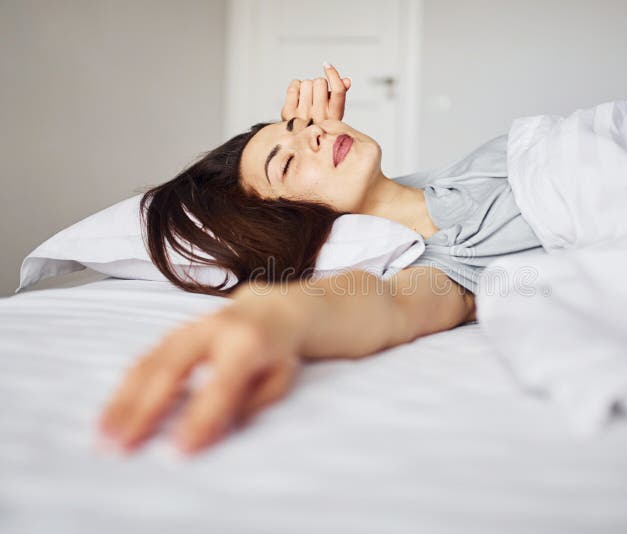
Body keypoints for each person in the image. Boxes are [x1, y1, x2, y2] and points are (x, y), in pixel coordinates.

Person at [97, 63, 543, 455]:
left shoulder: (461, 172)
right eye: (285, 166)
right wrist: (279, 314)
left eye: (300, 127)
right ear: (288, 219)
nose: (313, 132)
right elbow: (392, 305)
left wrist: (316, 147)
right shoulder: (448, 264)